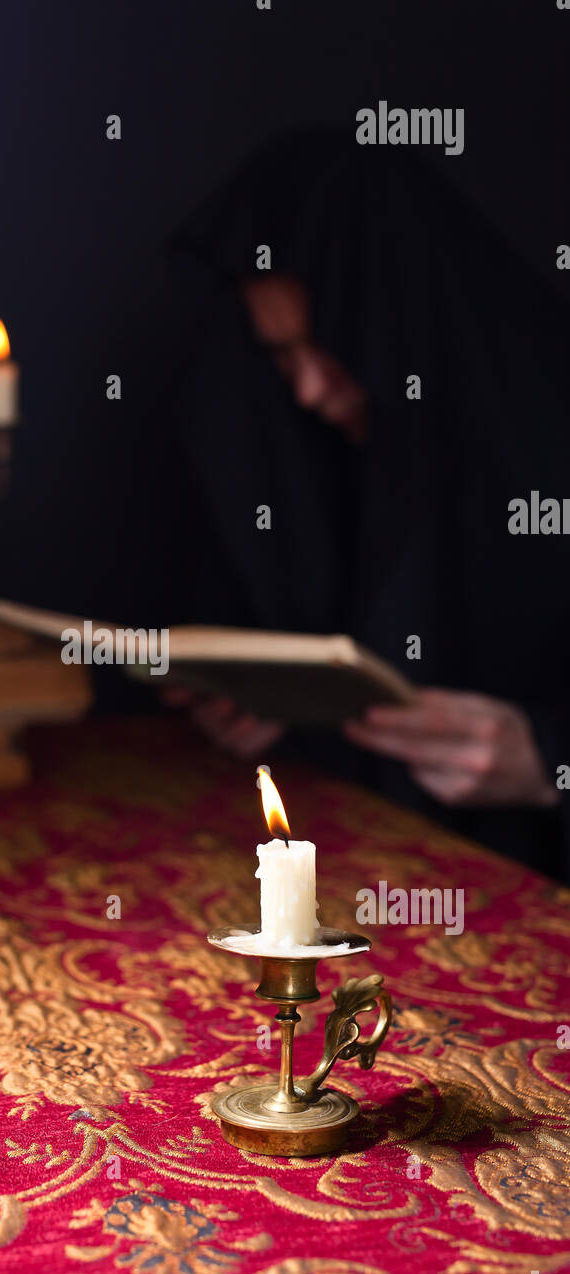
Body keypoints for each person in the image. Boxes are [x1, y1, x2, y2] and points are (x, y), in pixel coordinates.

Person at [157, 129, 570, 878]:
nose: (310, 390)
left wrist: (549, 761)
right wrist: (272, 707)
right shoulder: (313, 455)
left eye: (329, 343)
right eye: (282, 355)